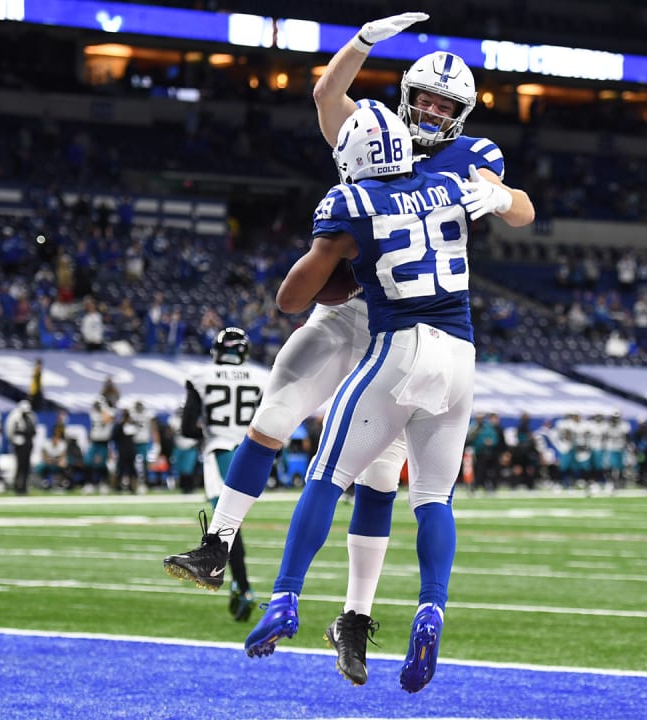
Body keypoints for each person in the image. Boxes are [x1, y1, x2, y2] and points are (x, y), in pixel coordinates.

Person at [163, 11, 533, 687]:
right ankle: (218, 544)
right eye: (421, 98)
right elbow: (327, 98)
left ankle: (351, 616)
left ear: (461, 112)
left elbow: (523, 208)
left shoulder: (462, 159)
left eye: (443, 105)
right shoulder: (381, 136)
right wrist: (360, 44)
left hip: (397, 323)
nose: (428, 111)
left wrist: (503, 198)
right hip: (383, 317)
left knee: (371, 476)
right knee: (275, 417)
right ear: (402, 99)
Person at [238, 106, 478, 694]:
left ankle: (286, 595)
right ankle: (431, 610)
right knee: (431, 500)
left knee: (325, 477)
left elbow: (292, 299)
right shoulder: (448, 181)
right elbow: (512, 203)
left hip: (399, 346)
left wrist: (332, 247)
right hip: (462, 355)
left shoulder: (350, 204)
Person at [175, 327, 269, 621]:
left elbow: (188, 427)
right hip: (249, 453)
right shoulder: (259, 377)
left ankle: (240, 585)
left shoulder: (201, 375)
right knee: (231, 523)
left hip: (220, 452)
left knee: (227, 524)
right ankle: (238, 585)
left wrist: (206, 432)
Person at [5, 400, 37, 495]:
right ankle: (17, 487)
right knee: (19, 466)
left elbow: (33, 428)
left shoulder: (31, 416)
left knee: (26, 466)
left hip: (28, 442)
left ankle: (24, 487)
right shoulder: (15, 416)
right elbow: (9, 429)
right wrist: (13, 440)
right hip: (19, 443)